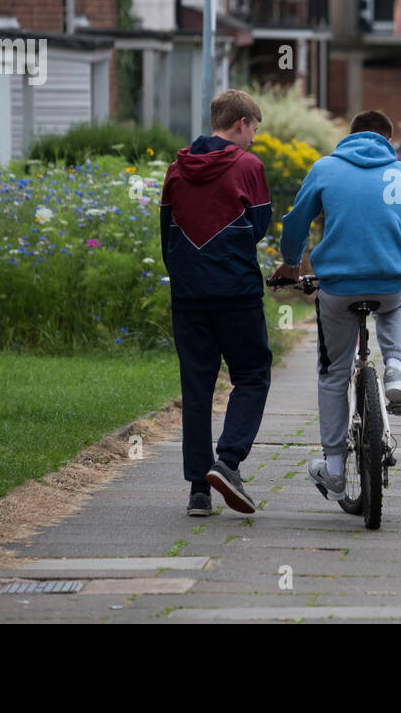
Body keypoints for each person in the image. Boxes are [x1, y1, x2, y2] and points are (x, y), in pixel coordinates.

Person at [273, 110, 401, 502]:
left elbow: (296, 221)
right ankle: (395, 370)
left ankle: (333, 470)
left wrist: (291, 260)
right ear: (388, 139)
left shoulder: (326, 168)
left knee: (333, 373)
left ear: (349, 136)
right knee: (394, 302)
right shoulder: (398, 172)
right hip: (386, 280)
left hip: (338, 284)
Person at [160, 89, 272, 518]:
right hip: (237, 293)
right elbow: (259, 227)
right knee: (252, 375)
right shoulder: (248, 167)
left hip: (188, 295)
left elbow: (166, 232)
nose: (255, 140)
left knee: (197, 388)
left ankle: (198, 492)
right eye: (254, 130)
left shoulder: (176, 169)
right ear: (241, 122)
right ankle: (228, 461)